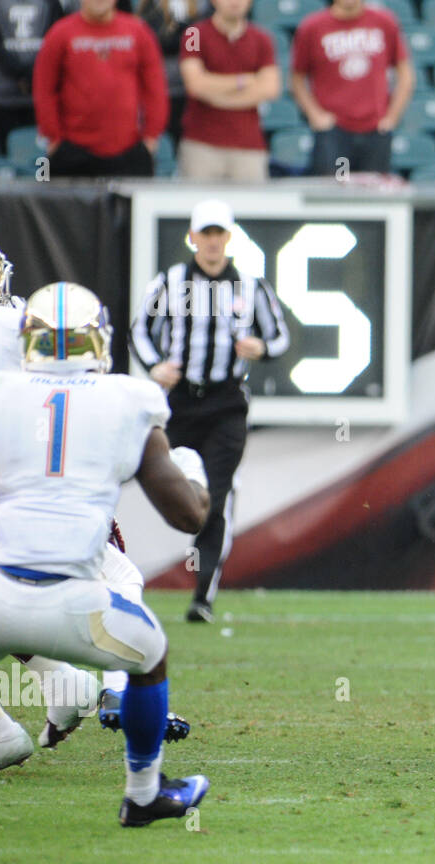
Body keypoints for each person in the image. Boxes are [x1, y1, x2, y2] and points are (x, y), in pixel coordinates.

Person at [0, 281, 212, 825]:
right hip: (76, 602)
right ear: (99, 341)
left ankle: (43, 702)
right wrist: (192, 471)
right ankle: (142, 795)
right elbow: (189, 516)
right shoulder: (128, 399)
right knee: (149, 654)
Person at [131, 199, 289, 623]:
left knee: (214, 499)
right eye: (207, 233)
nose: (213, 241)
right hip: (181, 402)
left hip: (226, 404)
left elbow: (279, 337)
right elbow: (139, 330)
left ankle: (202, 596)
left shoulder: (251, 286)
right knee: (173, 488)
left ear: (228, 238)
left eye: (220, 233)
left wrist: (262, 348)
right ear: (193, 237)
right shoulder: (171, 282)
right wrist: (155, 366)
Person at [32, 0, 167, 177]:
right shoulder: (60, 33)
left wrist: (151, 137)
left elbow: (155, 88)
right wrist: (54, 139)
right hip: (73, 154)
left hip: (129, 153)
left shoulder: (138, 32)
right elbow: (44, 88)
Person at [290, 0, 413, 177]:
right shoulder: (313, 26)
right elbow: (297, 78)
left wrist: (392, 117)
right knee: (337, 193)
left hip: (375, 133)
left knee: (373, 197)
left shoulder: (384, 21)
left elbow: (405, 73)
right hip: (335, 134)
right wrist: (315, 115)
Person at [177, 0, 279, 181]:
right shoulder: (194, 34)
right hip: (201, 146)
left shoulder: (262, 38)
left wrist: (215, 95)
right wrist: (243, 81)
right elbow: (195, 84)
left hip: (249, 148)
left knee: (250, 207)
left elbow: (270, 88)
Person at [0, 0, 64, 155]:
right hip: (1, 100)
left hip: (39, 102)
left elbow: (56, 40)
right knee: (4, 164)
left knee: (39, 160)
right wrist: (23, 74)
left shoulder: (50, 3)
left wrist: (34, 75)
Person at [135, 0, 209, 143]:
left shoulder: (202, 7)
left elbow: (197, 45)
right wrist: (179, 36)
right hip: (160, 87)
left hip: (189, 90)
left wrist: (183, 33)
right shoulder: (150, 7)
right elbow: (152, 43)